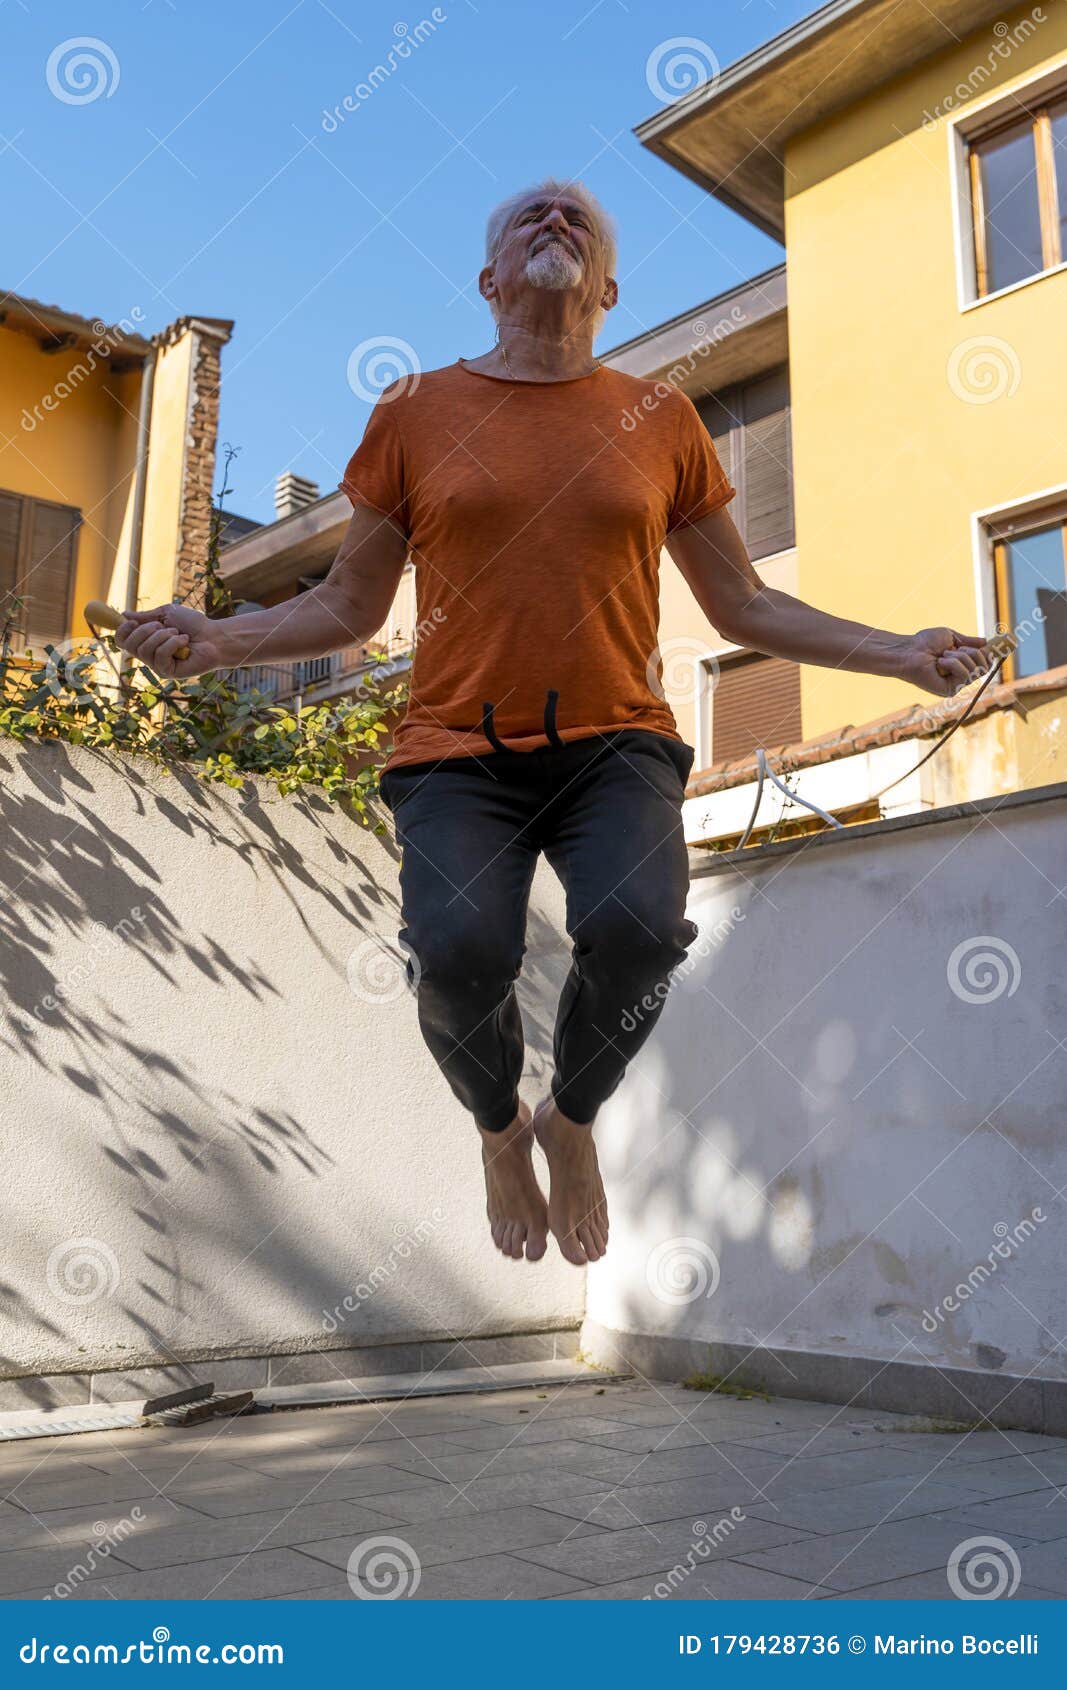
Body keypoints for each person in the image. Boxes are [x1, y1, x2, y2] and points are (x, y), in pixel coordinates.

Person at [116, 177, 998, 1269]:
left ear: (611, 288)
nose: (555, 219)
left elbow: (744, 605)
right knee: (456, 954)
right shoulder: (412, 411)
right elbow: (347, 604)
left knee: (635, 932)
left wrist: (900, 653)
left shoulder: (659, 419)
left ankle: (569, 1120)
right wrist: (215, 638)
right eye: (528, 216)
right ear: (487, 280)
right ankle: (500, 1129)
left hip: (614, 740)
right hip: (454, 750)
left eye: (579, 217)